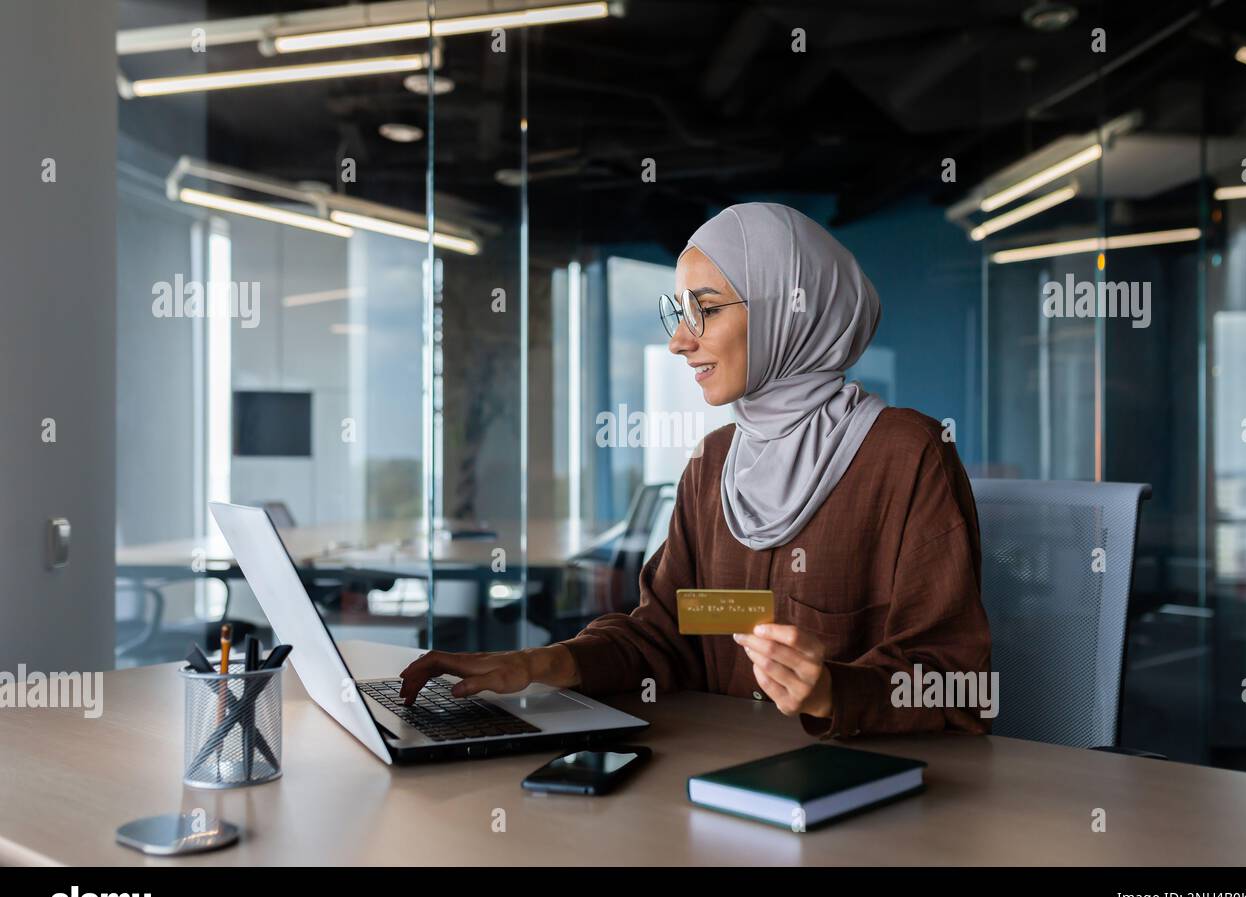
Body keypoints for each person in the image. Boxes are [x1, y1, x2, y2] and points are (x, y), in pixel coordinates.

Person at [401, 202, 991, 738]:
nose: (680, 341)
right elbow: (665, 637)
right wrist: (536, 663)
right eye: (679, 313)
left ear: (793, 311)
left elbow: (955, 681)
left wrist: (834, 690)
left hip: (859, 808)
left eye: (706, 310)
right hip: (714, 784)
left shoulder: (907, 453)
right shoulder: (714, 463)